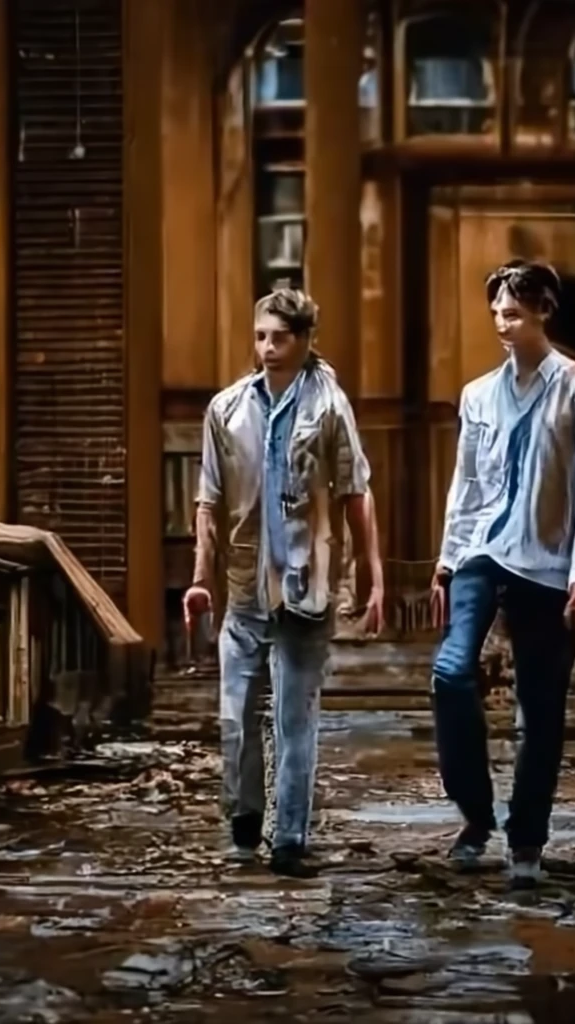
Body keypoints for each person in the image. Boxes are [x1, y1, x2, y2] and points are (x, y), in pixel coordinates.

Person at [183, 287, 385, 879]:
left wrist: (373, 574)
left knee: (295, 715)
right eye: (260, 337)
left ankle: (290, 836)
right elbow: (208, 499)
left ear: (304, 340)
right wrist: (201, 576)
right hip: (245, 580)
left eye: (280, 337)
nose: (268, 349)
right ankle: (244, 819)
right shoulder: (227, 409)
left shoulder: (329, 407)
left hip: (306, 578)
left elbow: (355, 492)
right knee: (236, 712)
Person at [429, 258, 575, 889]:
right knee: (450, 674)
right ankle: (476, 815)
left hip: (549, 561)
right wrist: (448, 559)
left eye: (512, 312)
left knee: (541, 708)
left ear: (541, 311)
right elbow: (467, 482)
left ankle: (526, 838)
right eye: (496, 314)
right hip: (483, 549)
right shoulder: (479, 394)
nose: (502, 325)